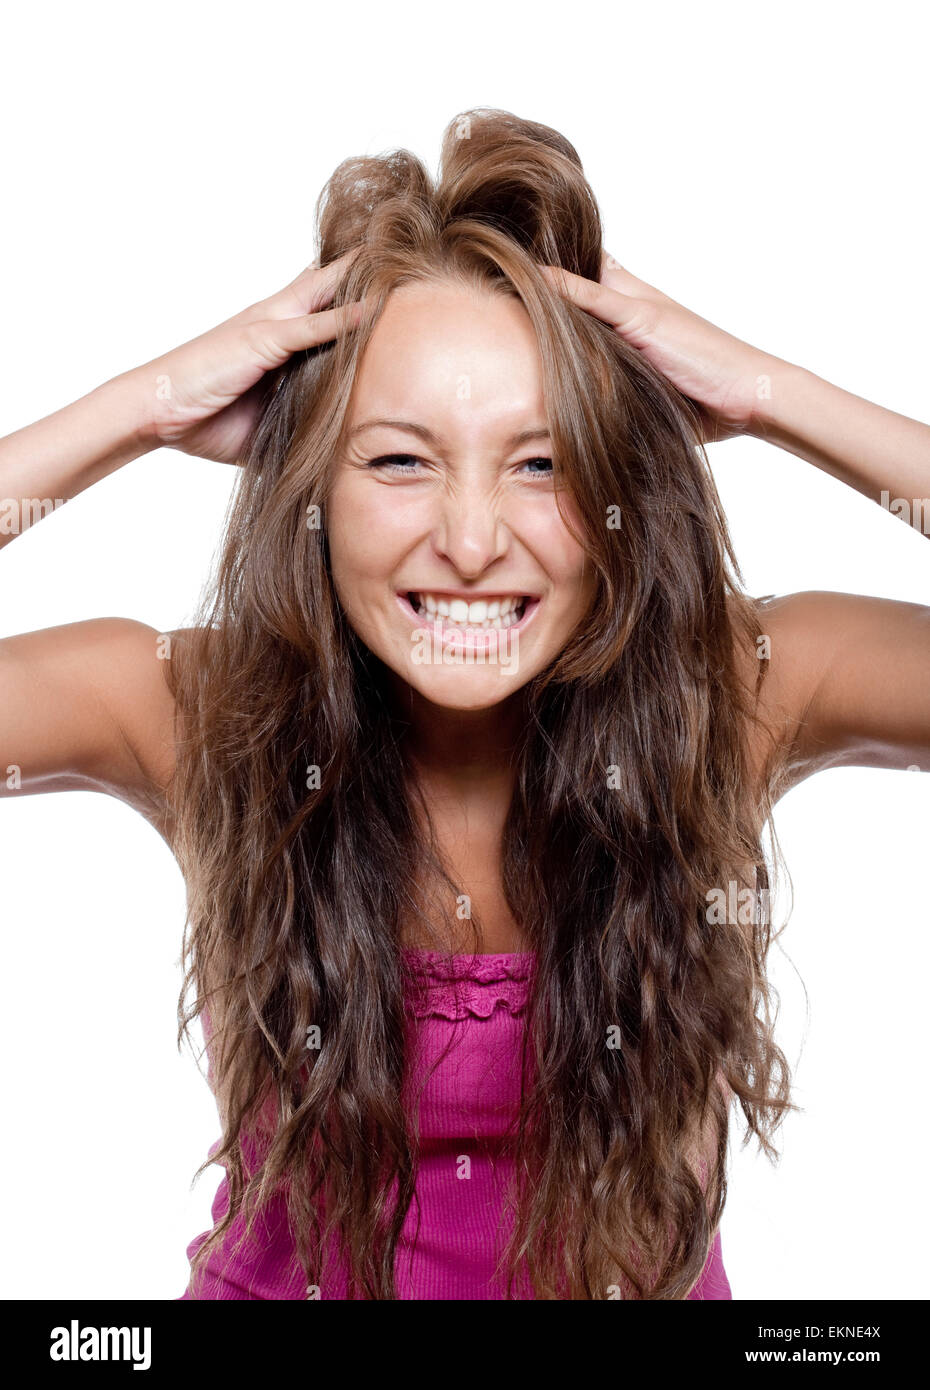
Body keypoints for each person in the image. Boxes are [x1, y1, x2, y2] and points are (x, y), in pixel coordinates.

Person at [1, 108, 928, 1300]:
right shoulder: (197, 710)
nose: (474, 540)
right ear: (311, 483)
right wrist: (144, 405)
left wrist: (766, 392)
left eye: (543, 462)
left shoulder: (737, 688)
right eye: (400, 458)